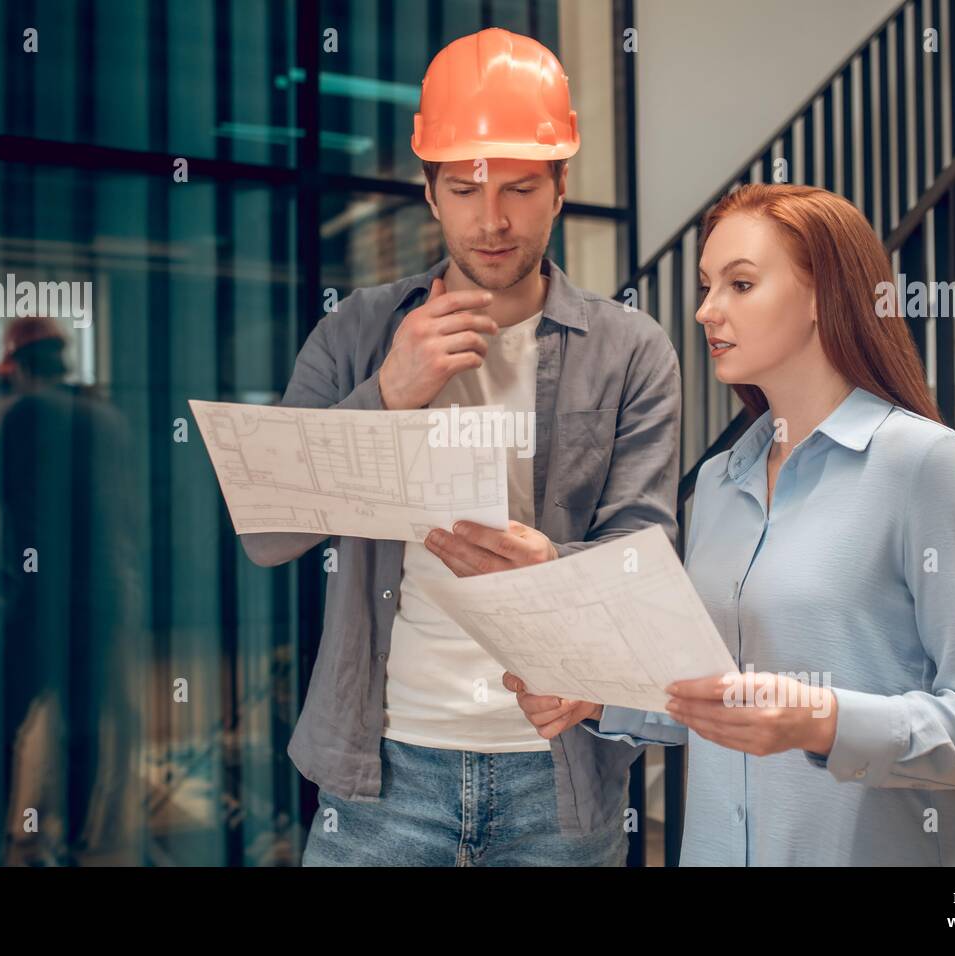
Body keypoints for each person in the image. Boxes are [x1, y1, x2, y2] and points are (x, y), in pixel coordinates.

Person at [241, 28, 681, 866]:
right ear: (431, 192)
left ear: (560, 187)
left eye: (520, 187)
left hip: (557, 776)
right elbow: (269, 533)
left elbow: (644, 555)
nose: (493, 221)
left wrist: (549, 558)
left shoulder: (631, 349)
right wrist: (389, 393)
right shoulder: (360, 331)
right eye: (465, 189)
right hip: (383, 772)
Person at [508, 183, 955, 865]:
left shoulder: (930, 471)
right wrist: (600, 696)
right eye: (706, 286)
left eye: (740, 284)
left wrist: (821, 722)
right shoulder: (719, 482)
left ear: (823, 296)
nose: (706, 310)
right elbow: (719, 692)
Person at [0, 315, 139, 865]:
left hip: (39, 601)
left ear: (17, 369)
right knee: (80, 727)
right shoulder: (108, 418)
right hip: (103, 596)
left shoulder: (26, 412)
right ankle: (70, 844)